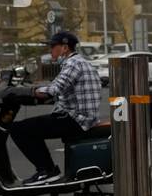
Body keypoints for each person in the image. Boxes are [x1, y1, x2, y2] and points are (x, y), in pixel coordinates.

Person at [8, 30, 102, 185]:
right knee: (29, 126)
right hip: (77, 116)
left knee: (20, 129)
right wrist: (34, 92)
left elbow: (53, 90)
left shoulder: (73, 64)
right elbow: (59, 89)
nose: (50, 49)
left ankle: (47, 171)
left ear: (64, 48)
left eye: (53, 46)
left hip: (76, 119)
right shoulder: (77, 62)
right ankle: (46, 170)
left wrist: (24, 92)